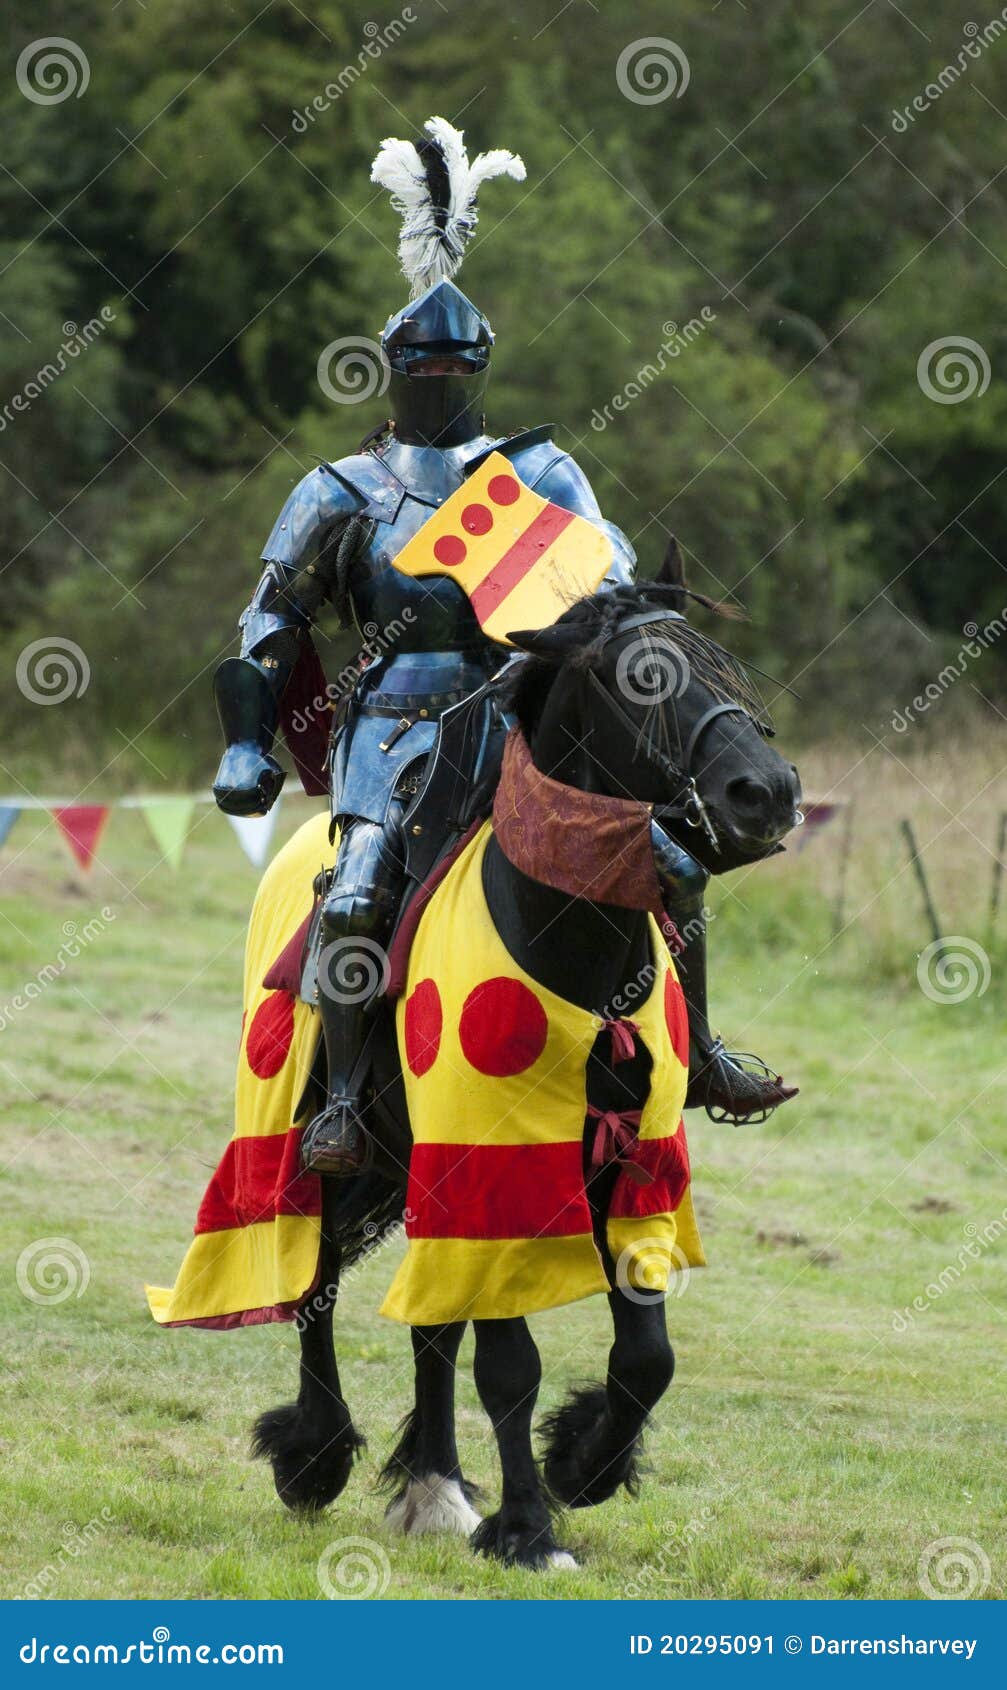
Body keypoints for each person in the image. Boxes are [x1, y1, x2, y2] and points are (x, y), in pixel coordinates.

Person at [212, 118, 792, 1177]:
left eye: (455, 359)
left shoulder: (537, 473)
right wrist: (244, 744)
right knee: (354, 892)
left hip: (519, 707)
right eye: (421, 359)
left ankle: (698, 1054)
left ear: (481, 364)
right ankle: (342, 1101)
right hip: (389, 724)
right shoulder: (339, 490)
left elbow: (603, 581)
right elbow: (269, 620)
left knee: (665, 862)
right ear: (391, 367)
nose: (438, 373)